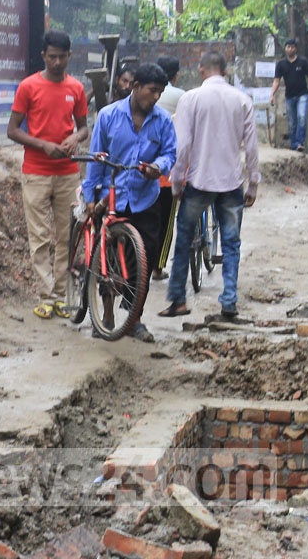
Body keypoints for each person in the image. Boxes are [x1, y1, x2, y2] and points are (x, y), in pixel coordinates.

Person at [158, 51, 260, 321]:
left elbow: (182, 146)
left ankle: (178, 300)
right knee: (231, 244)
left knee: (183, 240)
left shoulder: (190, 99)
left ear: (201, 70)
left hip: (199, 181)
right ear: (224, 71)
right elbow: (251, 148)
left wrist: (176, 182)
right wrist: (253, 184)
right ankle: (229, 302)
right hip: (231, 183)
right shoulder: (242, 100)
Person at [83, 63, 177, 342]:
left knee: (144, 260)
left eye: (160, 92)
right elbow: (96, 158)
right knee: (108, 259)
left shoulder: (163, 120)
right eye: (152, 90)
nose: (156, 97)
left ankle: (134, 319)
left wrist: (158, 167)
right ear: (136, 87)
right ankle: (106, 316)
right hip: (111, 196)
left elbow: (170, 153)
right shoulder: (108, 116)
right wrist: (90, 197)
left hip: (146, 199)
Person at [8, 30, 90, 320]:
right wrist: (42, 144)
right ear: (43, 55)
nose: (57, 62)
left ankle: (60, 296)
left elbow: (84, 127)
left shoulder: (76, 88)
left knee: (68, 237)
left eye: (62, 57)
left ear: (69, 56)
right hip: (36, 172)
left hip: (68, 172)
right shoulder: (28, 86)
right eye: (52, 56)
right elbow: (12, 129)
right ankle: (46, 296)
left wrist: (75, 138)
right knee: (40, 237)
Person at [153, 55, 186, 280]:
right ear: (176, 75)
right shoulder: (181, 96)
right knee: (166, 220)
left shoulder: (143, 93)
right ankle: (158, 267)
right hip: (168, 168)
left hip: (145, 166)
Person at [269, 39, 308, 152]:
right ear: (285, 48)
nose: (290, 49)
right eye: (288, 47)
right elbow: (276, 81)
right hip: (289, 96)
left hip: (302, 95)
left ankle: (300, 142)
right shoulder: (281, 64)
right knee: (291, 122)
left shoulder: (303, 62)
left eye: (292, 47)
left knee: (301, 117)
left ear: (296, 49)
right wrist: (272, 95)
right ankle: (294, 144)